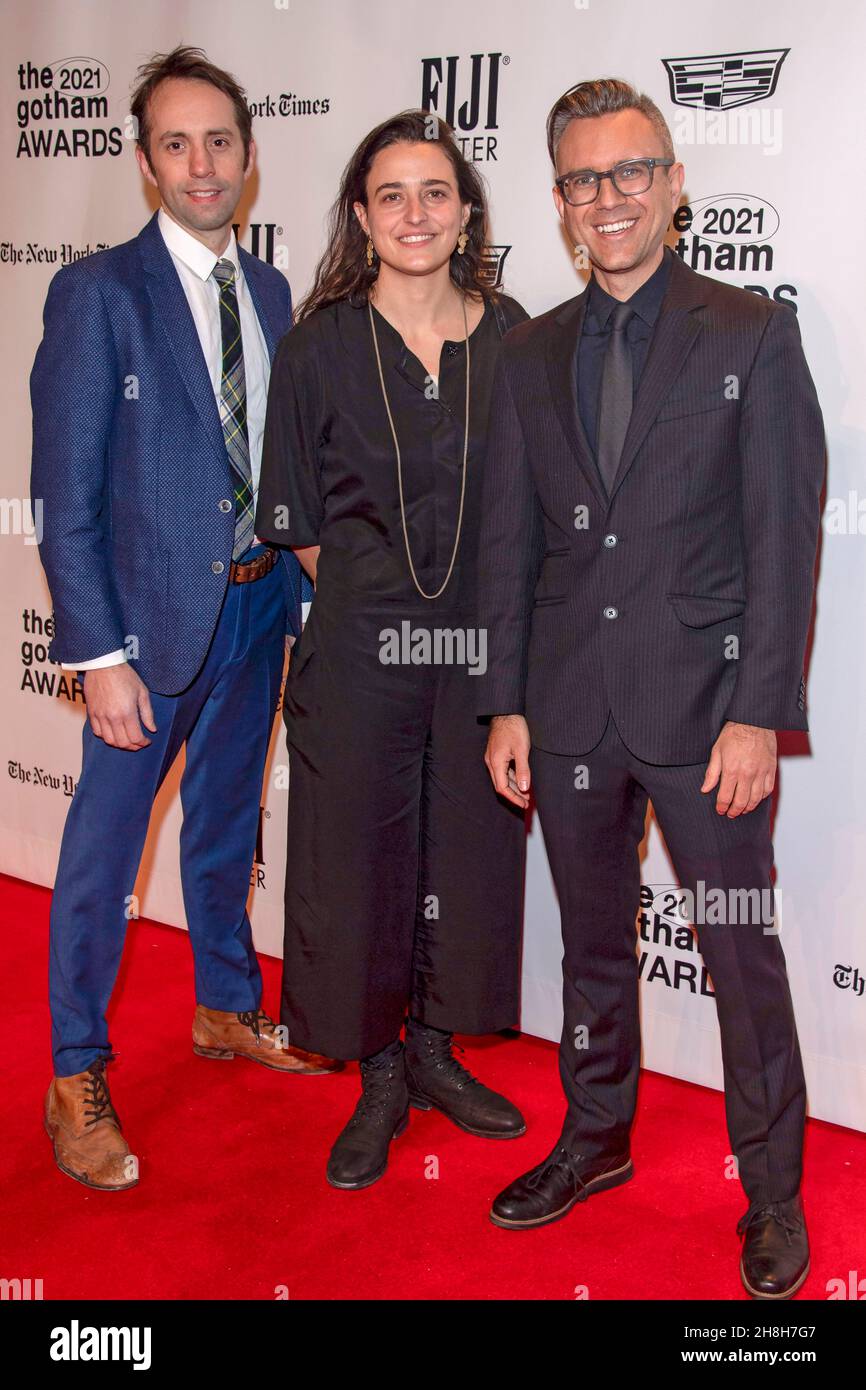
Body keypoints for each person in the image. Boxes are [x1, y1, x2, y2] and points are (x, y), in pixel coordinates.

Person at [477, 78, 824, 1299]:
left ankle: (771, 1190)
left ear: (674, 185)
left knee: (736, 952)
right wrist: (507, 700)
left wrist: (756, 713)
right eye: (581, 180)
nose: (606, 198)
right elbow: (511, 544)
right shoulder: (522, 353)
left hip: (703, 709)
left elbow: (784, 542)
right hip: (567, 704)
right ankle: (594, 1135)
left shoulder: (748, 333)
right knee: (587, 950)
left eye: (630, 173)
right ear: (560, 204)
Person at [31, 45, 340, 1194]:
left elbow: (276, 464)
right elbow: (63, 492)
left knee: (221, 832)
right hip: (146, 635)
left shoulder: (265, 290)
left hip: (258, 610)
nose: (201, 163)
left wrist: (305, 588)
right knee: (102, 857)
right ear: (146, 159)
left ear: (249, 158)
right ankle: (74, 1070)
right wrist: (98, 654)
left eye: (220, 141)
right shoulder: (98, 293)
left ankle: (223, 1007)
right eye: (176, 142)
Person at [256, 111, 528, 1191]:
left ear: (464, 213)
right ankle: (375, 1069)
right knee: (353, 860)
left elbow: (529, 508)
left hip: (481, 656)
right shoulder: (317, 344)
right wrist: (384, 610)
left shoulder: (513, 335)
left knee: (461, 856)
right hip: (360, 651)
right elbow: (302, 521)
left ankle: (432, 1051)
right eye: (390, 196)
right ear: (363, 220)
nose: (413, 213)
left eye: (433, 192)